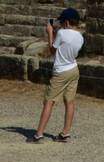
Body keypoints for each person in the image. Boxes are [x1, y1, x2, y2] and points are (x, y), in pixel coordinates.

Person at [30, 9, 83, 143]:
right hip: (73, 69)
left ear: (66, 22)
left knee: (49, 101)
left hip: (61, 71)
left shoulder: (61, 33)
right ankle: (65, 133)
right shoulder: (80, 37)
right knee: (69, 101)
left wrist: (50, 34)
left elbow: (53, 50)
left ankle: (39, 135)